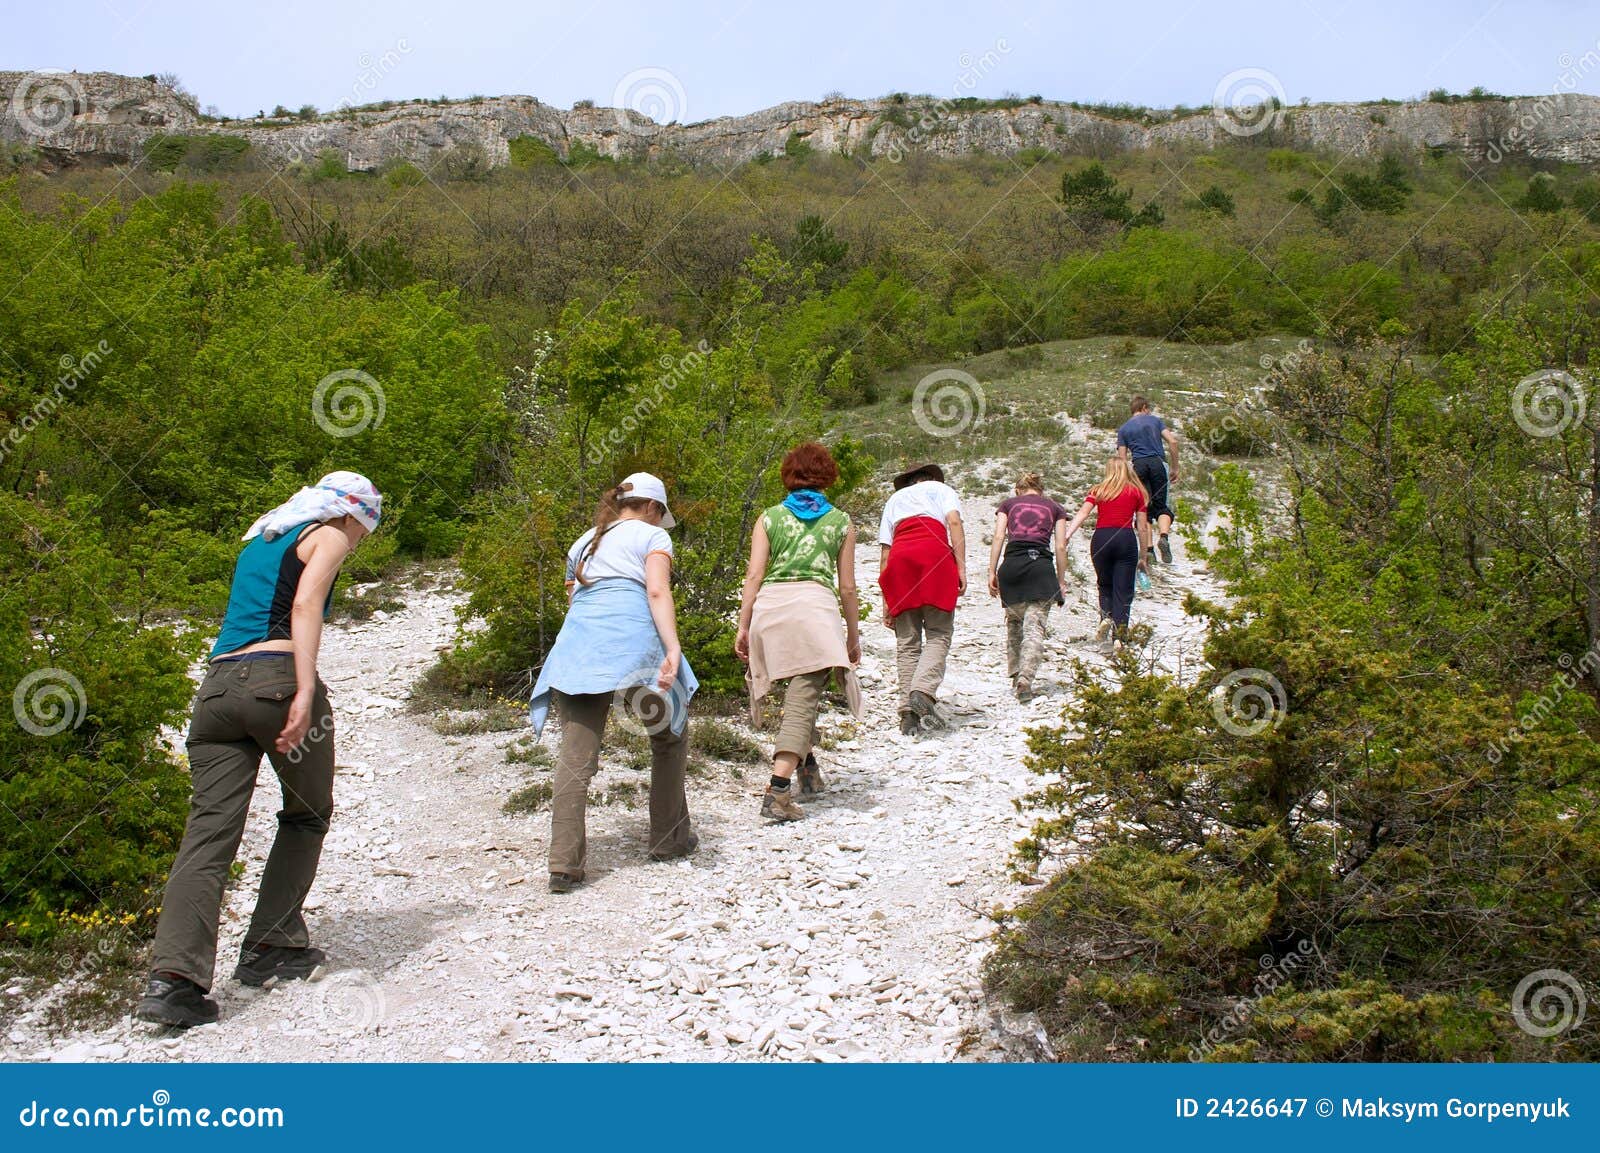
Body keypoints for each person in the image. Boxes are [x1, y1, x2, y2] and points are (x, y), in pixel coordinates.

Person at [135, 471, 383, 1029]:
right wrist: (303, 689)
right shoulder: (330, 533)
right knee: (307, 813)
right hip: (274, 679)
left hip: (217, 690)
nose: (362, 539)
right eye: (367, 526)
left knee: (208, 832)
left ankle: (173, 983)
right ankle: (271, 945)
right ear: (353, 513)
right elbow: (304, 609)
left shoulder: (261, 538)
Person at [529, 473, 698, 893]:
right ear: (654, 508)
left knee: (575, 755)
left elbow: (574, 601)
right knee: (669, 733)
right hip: (635, 641)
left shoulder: (583, 541)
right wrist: (672, 649)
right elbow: (657, 592)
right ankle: (668, 838)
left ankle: (563, 864)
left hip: (580, 647)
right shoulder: (653, 537)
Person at [735, 443, 864, 822]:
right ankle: (778, 791)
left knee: (795, 695)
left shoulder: (769, 518)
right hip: (814, 613)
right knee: (804, 697)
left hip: (771, 611)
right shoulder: (841, 522)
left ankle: (808, 768)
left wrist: (743, 625)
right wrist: (852, 636)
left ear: (788, 475)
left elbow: (754, 574)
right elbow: (847, 588)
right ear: (828, 476)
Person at [877, 463, 965, 735]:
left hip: (901, 561)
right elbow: (954, 523)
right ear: (930, 478)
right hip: (934, 555)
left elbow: (885, 552)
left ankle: (907, 714)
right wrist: (961, 567)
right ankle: (923, 691)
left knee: (907, 641)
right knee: (939, 632)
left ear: (908, 482)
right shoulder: (942, 489)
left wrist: (887, 601)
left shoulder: (894, 500)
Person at [987, 471, 1070, 701]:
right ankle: (1025, 679)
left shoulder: (1008, 504)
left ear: (1018, 490)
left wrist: (991, 571)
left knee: (1014, 623)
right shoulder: (1056, 508)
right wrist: (1061, 581)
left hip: (1011, 566)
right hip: (1040, 568)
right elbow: (1061, 546)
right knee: (1035, 628)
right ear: (1041, 490)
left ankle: (1014, 672)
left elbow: (998, 537)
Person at [1062, 458, 1151, 648]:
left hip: (1101, 538)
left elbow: (1083, 513)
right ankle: (1119, 636)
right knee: (1124, 589)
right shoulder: (1136, 492)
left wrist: (1068, 533)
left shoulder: (1099, 490)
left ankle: (1106, 618)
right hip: (1125, 538)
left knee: (1104, 584)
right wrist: (1143, 556)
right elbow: (1142, 527)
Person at [1116, 395, 1181, 565]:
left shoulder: (1123, 429)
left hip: (1139, 465)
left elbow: (1122, 459)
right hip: (1158, 463)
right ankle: (1164, 537)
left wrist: (1127, 478)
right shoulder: (1155, 421)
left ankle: (1149, 550)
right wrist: (1175, 467)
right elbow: (1173, 442)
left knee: (1143, 508)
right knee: (1162, 505)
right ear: (1144, 407)